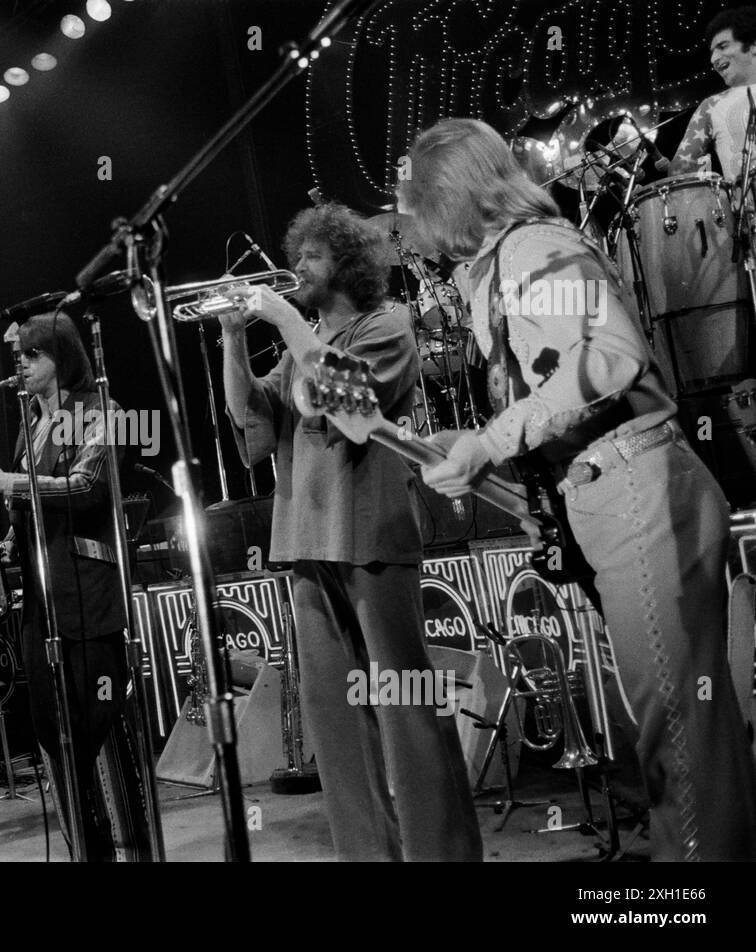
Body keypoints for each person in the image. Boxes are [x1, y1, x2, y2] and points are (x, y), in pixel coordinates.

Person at [403, 116, 756, 860]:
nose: (414, 228)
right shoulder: (504, 265)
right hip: (617, 491)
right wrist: (470, 451)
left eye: (420, 206)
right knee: (686, 732)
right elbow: (555, 391)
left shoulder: (535, 248)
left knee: (678, 741)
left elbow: (611, 354)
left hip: (636, 487)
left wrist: (493, 441)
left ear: (454, 199)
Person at [220, 203, 483, 861]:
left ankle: (444, 854)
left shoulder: (387, 325)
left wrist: (282, 320)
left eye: (311, 254)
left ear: (347, 263)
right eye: (297, 252)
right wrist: (230, 338)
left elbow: (356, 412)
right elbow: (252, 432)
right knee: (336, 724)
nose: (296, 266)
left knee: (405, 709)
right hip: (306, 543)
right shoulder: (302, 343)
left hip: (371, 534)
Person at [0, 313, 152, 862]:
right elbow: (33, 505)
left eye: (32, 354)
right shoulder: (31, 425)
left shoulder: (102, 410)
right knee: (52, 732)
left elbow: (89, 486)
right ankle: (89, 850)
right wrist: (2, 539)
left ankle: (127, 844)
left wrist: (9, 482)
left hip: (88, 591)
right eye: (17, 356)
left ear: (62, 356)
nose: (19, 365)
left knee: (94, 721)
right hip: (41, 603)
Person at [669, 7, 756, 180]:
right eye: (712, 52)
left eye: (723, 46)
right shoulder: (710, 106)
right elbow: (679, 171)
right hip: (745, 206)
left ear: (753, 45)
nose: (714, 59)